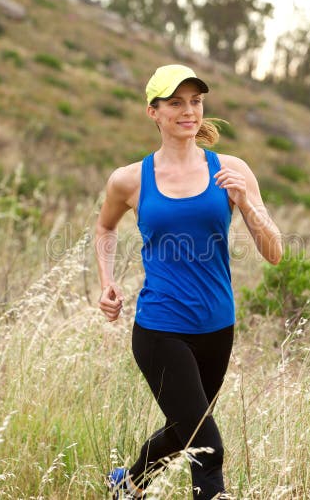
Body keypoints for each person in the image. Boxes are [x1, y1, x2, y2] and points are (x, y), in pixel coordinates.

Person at [94, 64, 283, 499]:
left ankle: (127, 485)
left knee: (184, 429)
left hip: (218, 327)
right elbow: (105, 229)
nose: (188, 111)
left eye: (195, 101)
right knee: (206, 446)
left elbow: (274, 253)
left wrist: (246, 204)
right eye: (175, 103)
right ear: (153, 112)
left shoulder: (232, 169)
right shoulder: (129, 179)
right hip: (160, 327)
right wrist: (107, 282)